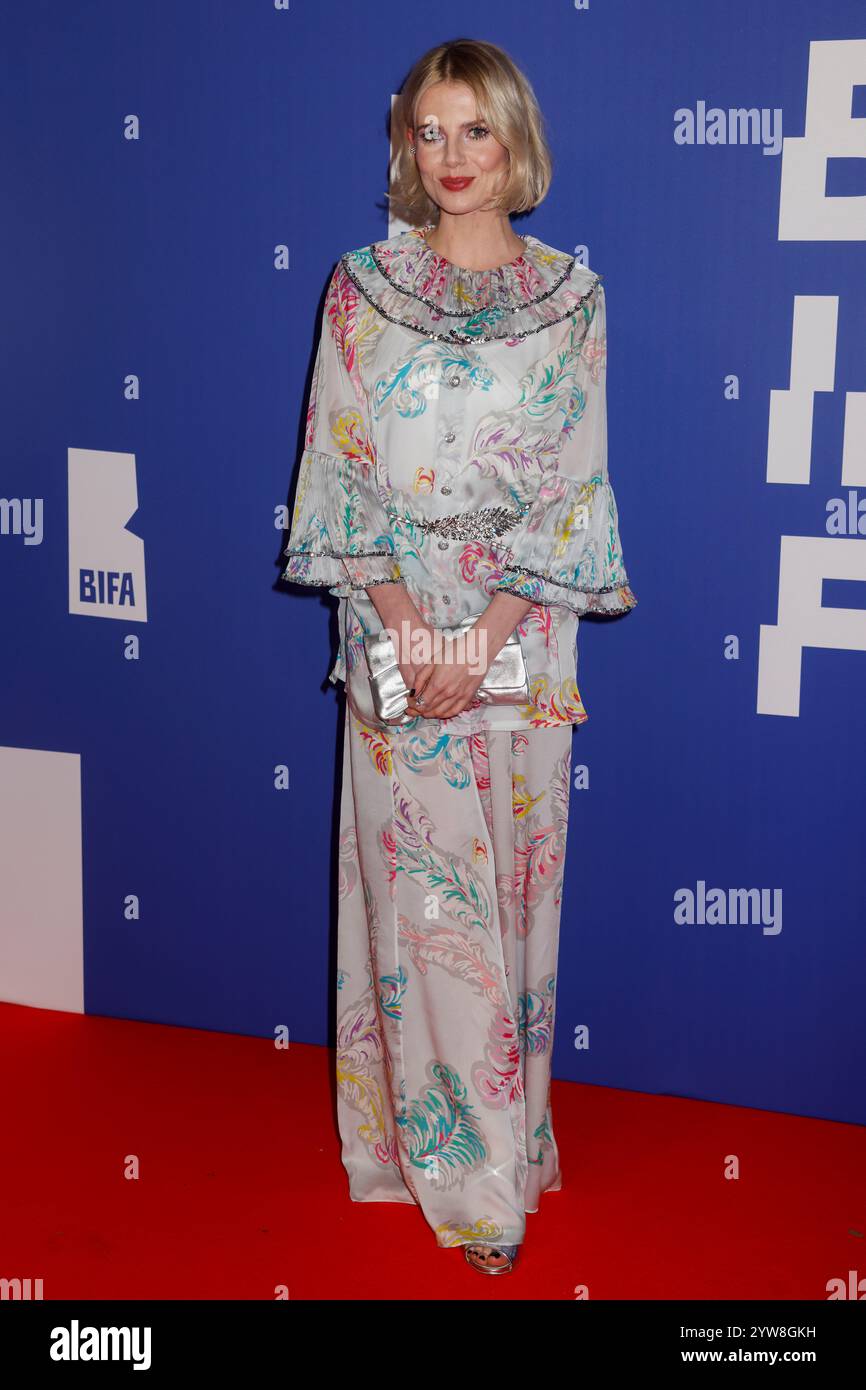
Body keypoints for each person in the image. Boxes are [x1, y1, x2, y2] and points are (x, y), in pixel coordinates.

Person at [281, 37, 637, 1276]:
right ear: (405, 145)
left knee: (509, 900)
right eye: (427, 133)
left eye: (473, 132)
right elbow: (339, 466)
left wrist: (475, 637)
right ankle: (447, 1169)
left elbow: (571, 484)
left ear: (514, 143)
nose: (450, 158)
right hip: (391, 621)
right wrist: (403, 620)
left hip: (518, 632)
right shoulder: (357, 287)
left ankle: (505, 1139)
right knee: (420, 899)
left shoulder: (573, 298)